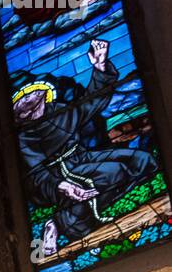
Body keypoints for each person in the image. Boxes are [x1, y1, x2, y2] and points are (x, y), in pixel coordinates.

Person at [14, 40, 157, 255]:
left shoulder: (60, 110)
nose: (29, 100)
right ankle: (59, 223)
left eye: (31, 94)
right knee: (113, 173)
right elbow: (35, 176)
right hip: (59, 173)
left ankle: (80, 212)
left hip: (82, 157)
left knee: (144, 161)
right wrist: (62, 185)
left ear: (42, 92)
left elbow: (92, 103)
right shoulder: (23, 139)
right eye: (21, 100)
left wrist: (100, 67)